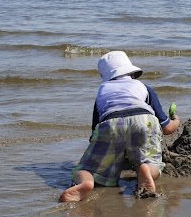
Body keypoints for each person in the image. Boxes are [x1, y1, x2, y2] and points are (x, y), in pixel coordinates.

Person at [59, 51, 180, 202]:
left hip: (111, 123)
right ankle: (146, 169)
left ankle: (86, 182)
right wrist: (175, 120)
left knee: (86, 169)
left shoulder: (102, 93)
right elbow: (167, 128)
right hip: (144, 120)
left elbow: (95, 134)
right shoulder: (144, 87)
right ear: (132, 74)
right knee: (152, 161)